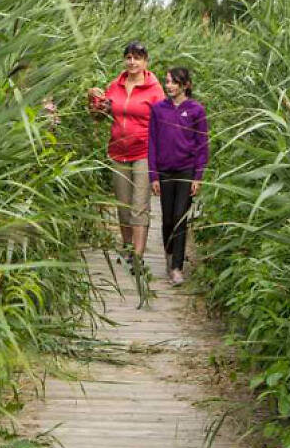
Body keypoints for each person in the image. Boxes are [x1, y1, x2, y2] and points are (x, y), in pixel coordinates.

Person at [87, 42, 164, 274]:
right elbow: (99, 117)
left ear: (145, 62)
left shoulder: (154, 89)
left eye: (137, 58)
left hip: (144, 152)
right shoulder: (115, 86)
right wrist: (93, 100)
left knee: (139, 206)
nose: (132, 62)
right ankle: (128, 247)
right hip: (118, 152)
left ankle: (138, 258)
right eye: (129, 57)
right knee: (122, 205)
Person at [147, 66, 210, 286]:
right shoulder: (158, 109)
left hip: (186, 170)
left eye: (174, 82)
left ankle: (176, 267)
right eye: (167, 81)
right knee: (167, 219)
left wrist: (198, 176)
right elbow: (152, 142)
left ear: (186, 85)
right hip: (164, 170)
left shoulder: (196, 110)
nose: (169, 86)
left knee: (180, 218)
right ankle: (169, 253)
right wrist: (153, 175)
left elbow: (202, 144)